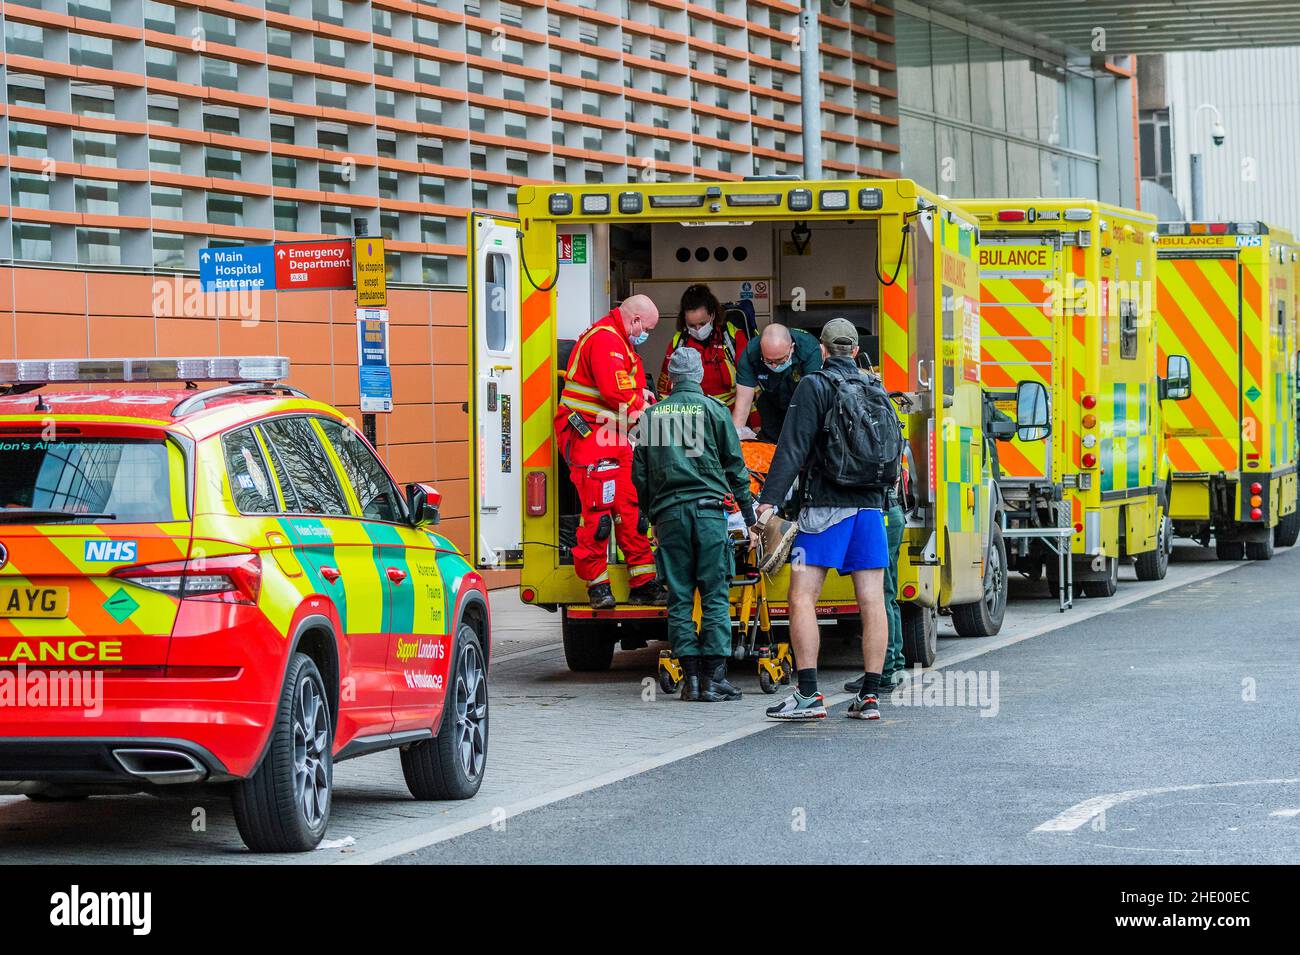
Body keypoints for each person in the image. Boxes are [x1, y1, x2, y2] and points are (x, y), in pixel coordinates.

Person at [757, 318, 894, 722]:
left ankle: (809, 694)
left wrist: (768, 503)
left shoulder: (814, 385)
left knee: (801, 597)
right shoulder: (875, 387)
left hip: (823, 510)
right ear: (853, 350)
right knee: (871, 599)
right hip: (871, 509)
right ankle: (870, 696)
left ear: (821, 349)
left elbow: (791, 449)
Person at [633, 348, 756, 702]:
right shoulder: (716, 411)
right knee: (715, 594)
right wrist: (748, 517)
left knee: (680, 598)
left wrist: (650, 516)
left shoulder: (652, 417)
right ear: (700, 376)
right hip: (708, 515)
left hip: (670, 517)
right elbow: (735, 468)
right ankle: (715, 677)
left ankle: (691, 681)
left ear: (670, 378)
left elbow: (639, 474)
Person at [555, 294, 667, 609]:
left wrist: (642, 398)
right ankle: (597, 586)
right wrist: (651, 417)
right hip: (587, 433)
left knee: (632, 509)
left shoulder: (619, 341)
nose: (646, 335)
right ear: (634, 320)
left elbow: (625, 390)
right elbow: (615, 392)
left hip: (610, 434)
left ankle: (643, 583)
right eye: (646, 328)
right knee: (598, 514)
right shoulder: (607, 341)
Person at [656, 284, 748, 409]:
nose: (698, 329)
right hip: (693, 415)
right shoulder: (678, 343)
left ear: (712, 315)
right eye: (692, 325)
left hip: (729, 412)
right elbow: (664, 389)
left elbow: (749, 383)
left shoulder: (733, 337)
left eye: (702, 323)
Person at [731, 324, 823, 441]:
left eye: (780, 360)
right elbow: (742, 406)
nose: (774, 365)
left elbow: (811, 403)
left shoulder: (809, 349)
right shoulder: (750, 353)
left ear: (792, 348)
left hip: (801, 402)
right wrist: (735, 440)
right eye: (768, 361)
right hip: (771, 401)